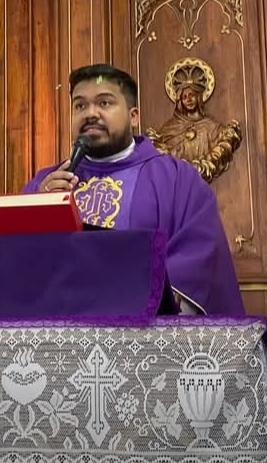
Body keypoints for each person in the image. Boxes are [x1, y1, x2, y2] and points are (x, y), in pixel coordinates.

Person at [23, 63, 244, 316]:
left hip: (143, 331)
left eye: (104, 103)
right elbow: (20, 267)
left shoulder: (176, 179)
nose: (90, 114)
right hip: (62, 332)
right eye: (80, 105)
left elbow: (198, 254)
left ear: (134, 116)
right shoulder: (46, 184)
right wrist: (37, 210)